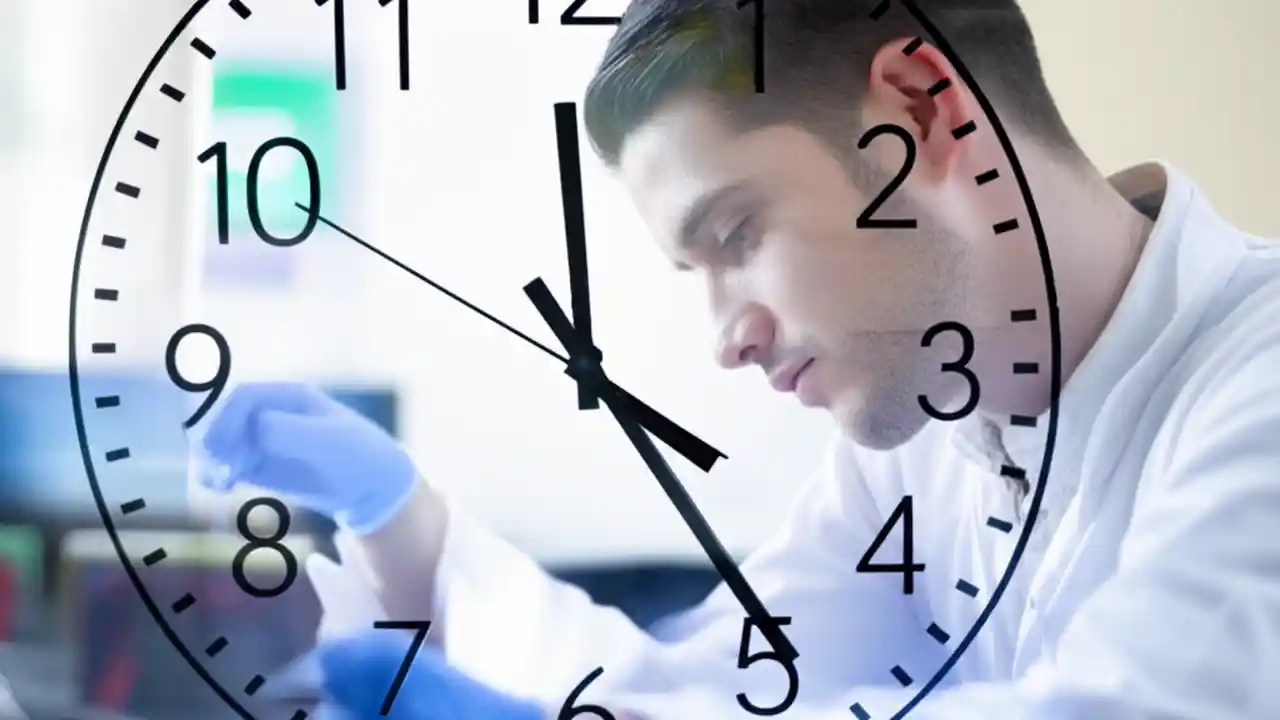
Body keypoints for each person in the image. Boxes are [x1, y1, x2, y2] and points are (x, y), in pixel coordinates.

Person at [198, 0, 1280, 717]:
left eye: (737, 235)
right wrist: (405, 520)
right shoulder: (919, 443)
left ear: (920, 110)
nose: (729, 338)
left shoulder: (1255, 368)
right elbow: (706, 692)